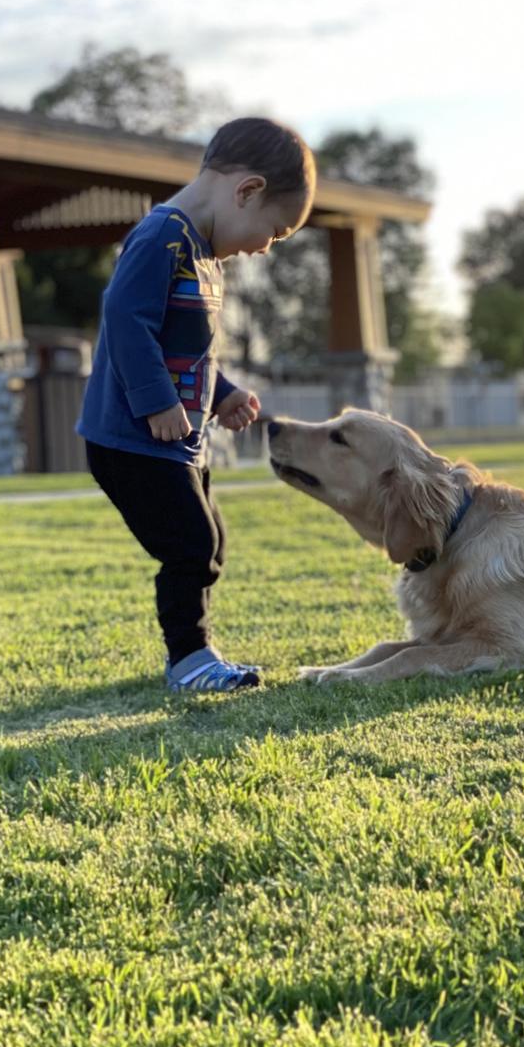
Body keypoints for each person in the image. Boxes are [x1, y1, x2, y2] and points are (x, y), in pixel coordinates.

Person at [78, 118, 316, 692]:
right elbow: (126, 321)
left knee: (210, 541)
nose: (263, 248)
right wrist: (157, 402)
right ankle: (189, 660)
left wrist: (224, 393)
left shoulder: (202, 255)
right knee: (192, 545)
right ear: (247, 191)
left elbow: (188, 349)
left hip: (178, 442)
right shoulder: (162, 236)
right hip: (132, 440)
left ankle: (197, 652)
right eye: (274, 233)